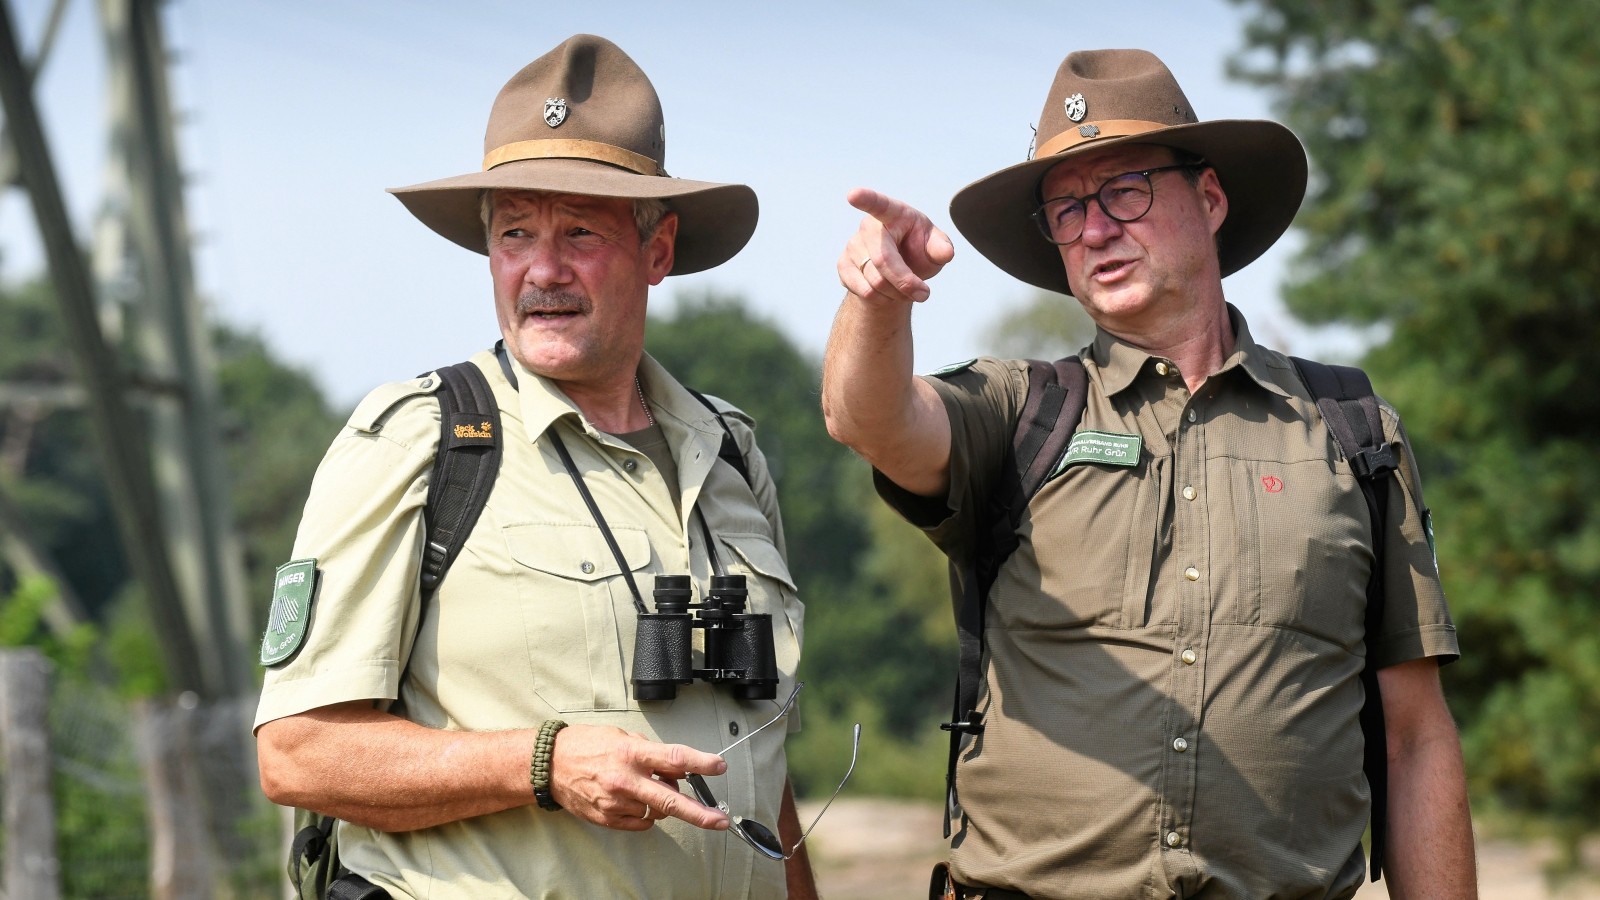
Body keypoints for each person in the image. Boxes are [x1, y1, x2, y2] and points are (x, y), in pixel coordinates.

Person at [822, 48, 1475, 899]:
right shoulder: (1021, 411)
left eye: (1124, 192)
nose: (1094, 229)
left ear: (1208, 200)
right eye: (1066, 211)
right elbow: (865, 417)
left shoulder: (1352, 432)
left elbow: (1415, 740)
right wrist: (876, 303)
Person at [254, 34, 816, 899]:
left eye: (580, 232)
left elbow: (759, 774)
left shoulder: (731, 450)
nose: (541, 270)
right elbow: (297, 753)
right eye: (516, 232)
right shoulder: (419, 439)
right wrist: (544, 762)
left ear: (657, 250)